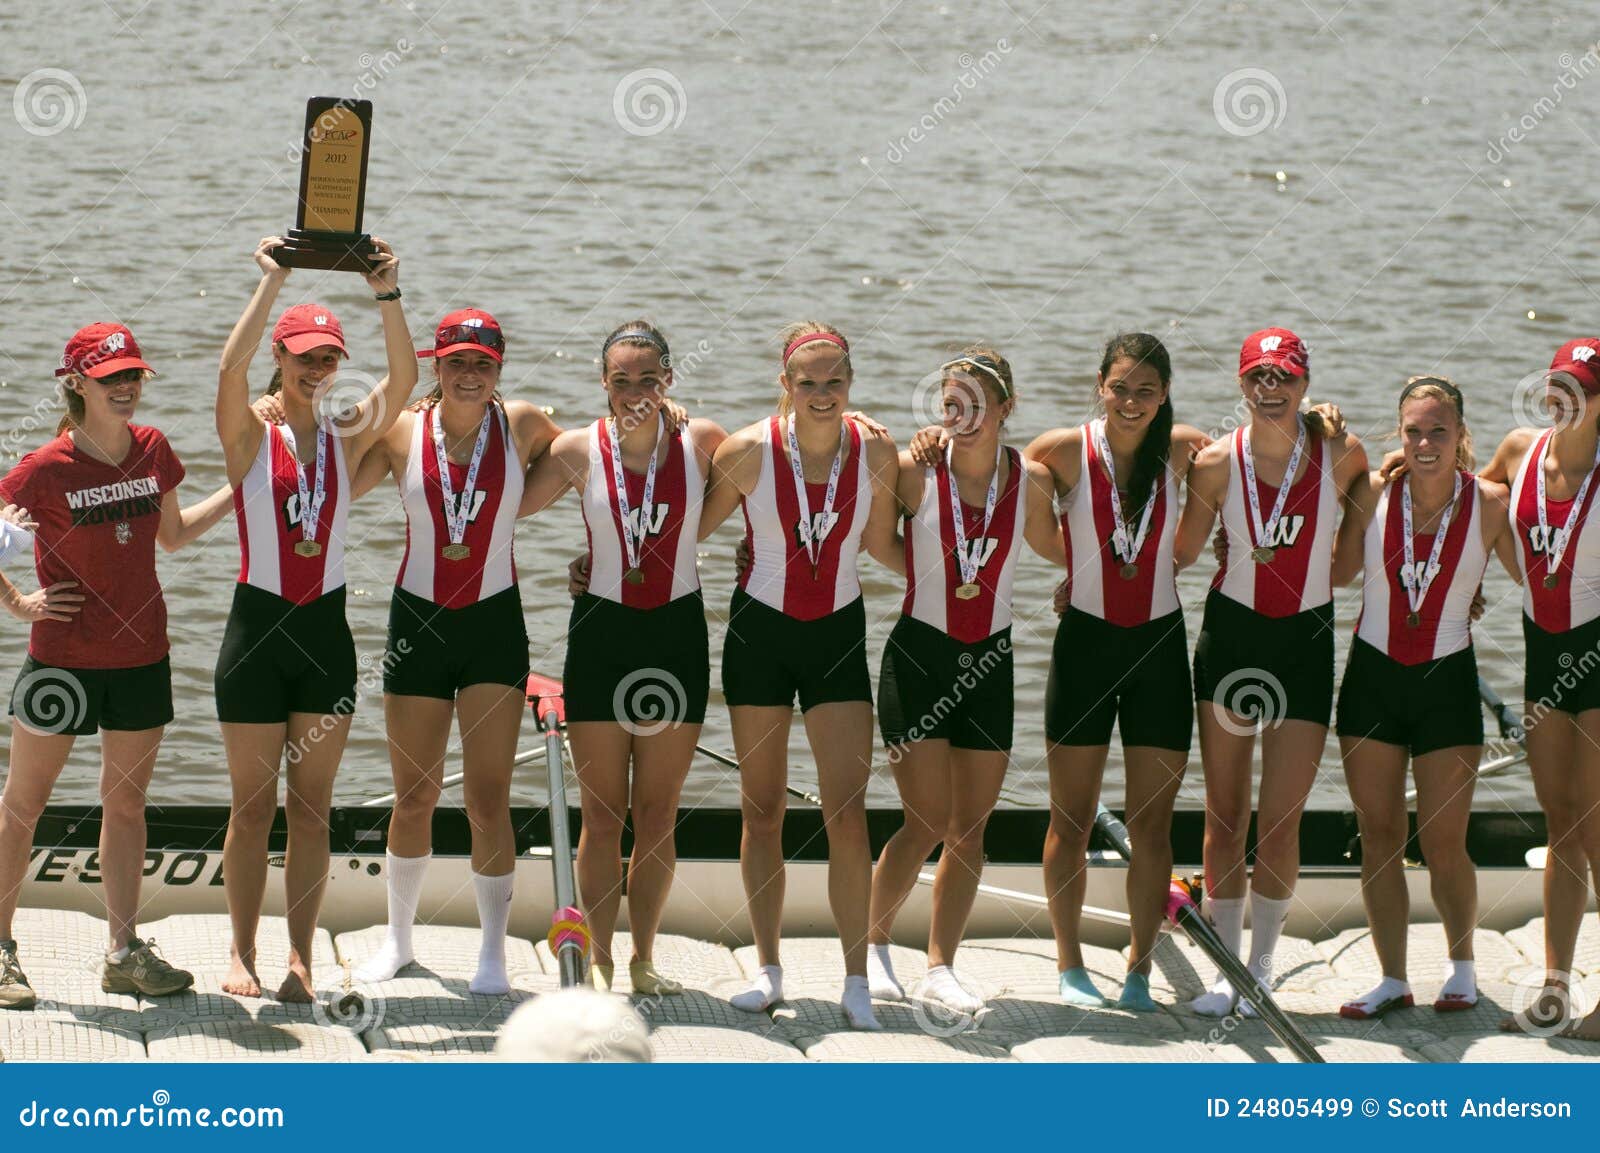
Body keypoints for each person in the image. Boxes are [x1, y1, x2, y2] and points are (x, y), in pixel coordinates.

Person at [0, 323, 236, 1010]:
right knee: (22, 807)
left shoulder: (155, 449)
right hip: (61, 663)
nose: (128, 388)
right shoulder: (44, 469)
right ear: (77, 383)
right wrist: (18, 601)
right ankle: (1, 948)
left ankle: (123, 951)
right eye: (112, 379)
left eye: (134, 376)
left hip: (141, 657)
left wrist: (239, 488)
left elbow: (174, 534)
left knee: (126, 804)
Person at [214, 236, 416, 1002]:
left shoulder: (343, 433)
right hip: (254, 634)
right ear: (282, 355)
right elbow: (229, 372)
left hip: (324, 637)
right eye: (303, 356)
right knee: (251, 806)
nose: (316, 369)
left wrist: (387, 290)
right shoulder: (247, 434)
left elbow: (403, 379)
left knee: (310, 809)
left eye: (327, 358)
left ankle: (299, 956)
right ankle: (242, 953)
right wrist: (272, 279)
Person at [696, 322, 900, 1029]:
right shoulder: (748, 451)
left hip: (837, 637)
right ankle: (769, 966)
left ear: (852, 385)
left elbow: (883, 546)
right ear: (784, 384)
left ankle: (854, 979)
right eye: (807, 381)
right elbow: (685, 530)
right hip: (759, 635)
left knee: (846, 811)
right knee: (762, 808)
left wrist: (969, 581)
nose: (821, 394)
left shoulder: (876, 448)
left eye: (834, 381)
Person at [348, 309, 558, 995]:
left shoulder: (523, 423)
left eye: (484, 363)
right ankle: (399, 941)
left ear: (500, 370)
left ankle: (492, 954)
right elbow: (321, 476)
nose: (471, 374)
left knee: (488, 797)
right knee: (414, 796)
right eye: (458, 362)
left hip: (494, 626)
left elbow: (601, 456)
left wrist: (662, 408)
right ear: (436, 368)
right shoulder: (400, 428)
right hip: (418, 624)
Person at [520, 321, 723, 996]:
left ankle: (644, 956)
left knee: (658, 814)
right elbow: (501, 498)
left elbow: (790, 447)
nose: (634, 391)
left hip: (675, 639)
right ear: (602, 384)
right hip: (603, 637)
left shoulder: (704, 441)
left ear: (669, 379)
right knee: (602, 814)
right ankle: (599, 957)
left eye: (649, 378)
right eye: (620, 379)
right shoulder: (578, 447)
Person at [862, 347, 1063, 1012]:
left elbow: (1064, 544)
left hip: (990, 664)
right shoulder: (917, 469)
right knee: (923, 821)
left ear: (1007, 408)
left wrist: (1077, 583)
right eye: (952, 403)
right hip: (918, 657)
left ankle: (941, 965)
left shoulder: (1029, 479)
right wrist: (931, 578)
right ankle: (873, 945)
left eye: (978, 403)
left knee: (969, 828)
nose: (963, 416)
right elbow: (876, 542)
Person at [1173, 328, 1367, 1017]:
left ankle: (1259, 970)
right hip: (1231, 640)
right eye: (1258, 376)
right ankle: (1226, 972)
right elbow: (1182, 554)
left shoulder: (1341, 453)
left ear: (1305, 384)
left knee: (1280, 820)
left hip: (1305, 644)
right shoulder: (1217, 463)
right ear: (1241, 383)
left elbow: (1347, 565)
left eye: (1283, 376)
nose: (1271, 388)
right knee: (1226, 815)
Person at [1026, 332, 1207, 1010]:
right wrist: (1072, 566)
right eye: (1120, 387)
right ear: (1099, 385)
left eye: (1147, 390)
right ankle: (1070, 965)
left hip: (1158, 649)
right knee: (1069, 819)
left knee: (1153, 825)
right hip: (1086, 647)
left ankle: (1137, 968)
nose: (1132, 402)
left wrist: (1321, 421)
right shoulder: (1062, 449)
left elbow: (1271, 451)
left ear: (1164, 395)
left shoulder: (1187, 449)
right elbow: (997, 484)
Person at [1331, 377, 1513, 1017]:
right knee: (1379, 834)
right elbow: (1330, 571)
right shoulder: (1374, 492)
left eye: (1439, 430)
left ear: (1461, 435)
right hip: (1372, 680)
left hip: (1447, 683)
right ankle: (1392, 978)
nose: (1426, 442)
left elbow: (1551, 579)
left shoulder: (1491, 504)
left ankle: (1462, 970)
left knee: (1444, 840)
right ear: (1398, 434)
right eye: (1414, 431)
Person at [1486, 338, 1600, 1041]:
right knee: (1561, 826)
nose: (1566, 396)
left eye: (1583, 387)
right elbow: (1468, 498)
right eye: (1559, 382)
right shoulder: (1521, 447)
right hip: (1542, 653)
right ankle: (1555, 991)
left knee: (1595, 826)